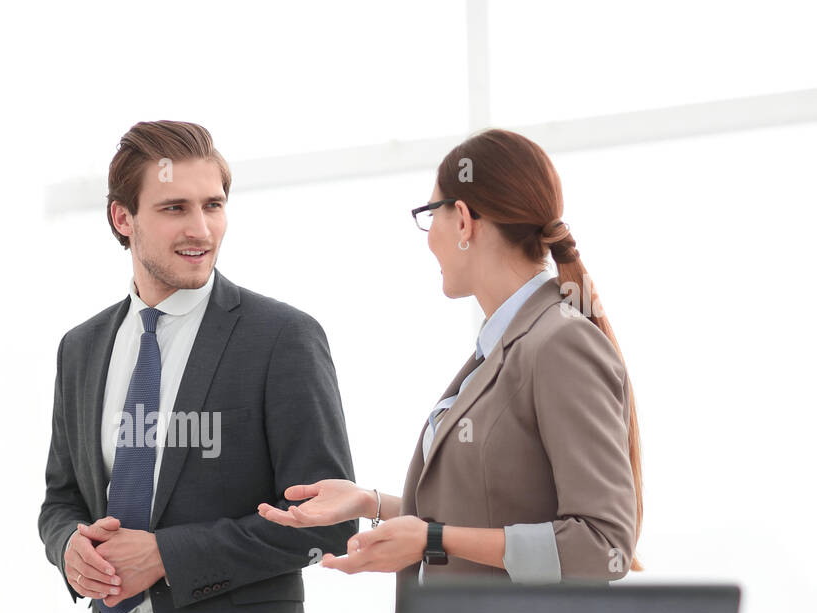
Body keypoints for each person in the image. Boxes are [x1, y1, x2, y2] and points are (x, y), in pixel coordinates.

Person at [37, 121, 356, 613]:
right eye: (175, 207)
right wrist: (69, 551)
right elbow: (60, 498)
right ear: (124, 218)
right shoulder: (83, 349)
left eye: (213, 205)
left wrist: (168, 556)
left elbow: (327, 522)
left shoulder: (280, 338)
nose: (201, 227)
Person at [259, 128, 641, 589]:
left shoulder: (559, 343)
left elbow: (604, 546)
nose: (428, 239)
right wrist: (370, 503)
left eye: (430, 215)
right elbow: (488, 514)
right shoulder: (504, 345)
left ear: (462, 220)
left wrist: (435, 539)